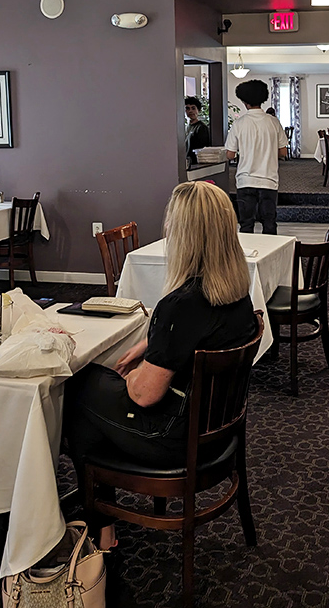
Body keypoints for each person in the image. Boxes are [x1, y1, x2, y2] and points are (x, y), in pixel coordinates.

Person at [64, 182, 257, 550]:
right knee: (97, 394)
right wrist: (151, 343)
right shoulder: (236, 293)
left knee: (80, 386)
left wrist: (130, 375)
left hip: (173, 438)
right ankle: (102, 526)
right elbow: (200, 331)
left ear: (184, 235)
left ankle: (100, 528)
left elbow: (144, 396)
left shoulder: (180, 305)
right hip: (216, 431)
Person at [225, 79, 287, 234]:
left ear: (244, 101)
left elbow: (230, 154)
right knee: (269, 223)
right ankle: (271, 257)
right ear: (263, 98)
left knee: (246, 225)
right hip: (269, 180)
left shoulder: (239, 123)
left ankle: (247, 257)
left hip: (245, 180)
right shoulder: (273, 122)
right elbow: (283, 152)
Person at [184, 96, 210, 167]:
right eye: (187, 108)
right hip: (187, 163)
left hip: (197, 164)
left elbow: (203, 149)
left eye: (193, 108)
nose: (190, 111)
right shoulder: (186, 127)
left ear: (198, 110)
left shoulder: (202, 128)